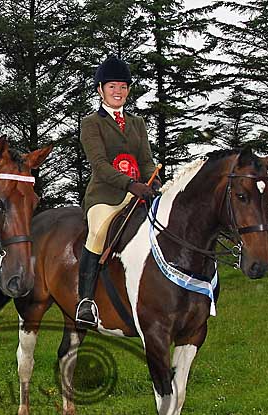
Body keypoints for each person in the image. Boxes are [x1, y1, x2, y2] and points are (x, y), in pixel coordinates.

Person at [76, 54, 159, 329]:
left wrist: (153, 181)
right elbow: (99, 165)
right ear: (100, 90)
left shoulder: (137, 123)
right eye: (112, 86)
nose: (118, 91)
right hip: (105, 195)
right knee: (99, 232)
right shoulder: (91, 123)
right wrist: (130, 184)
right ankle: (85, 301)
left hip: (139, 193)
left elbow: (146, 161)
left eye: (123, 87)